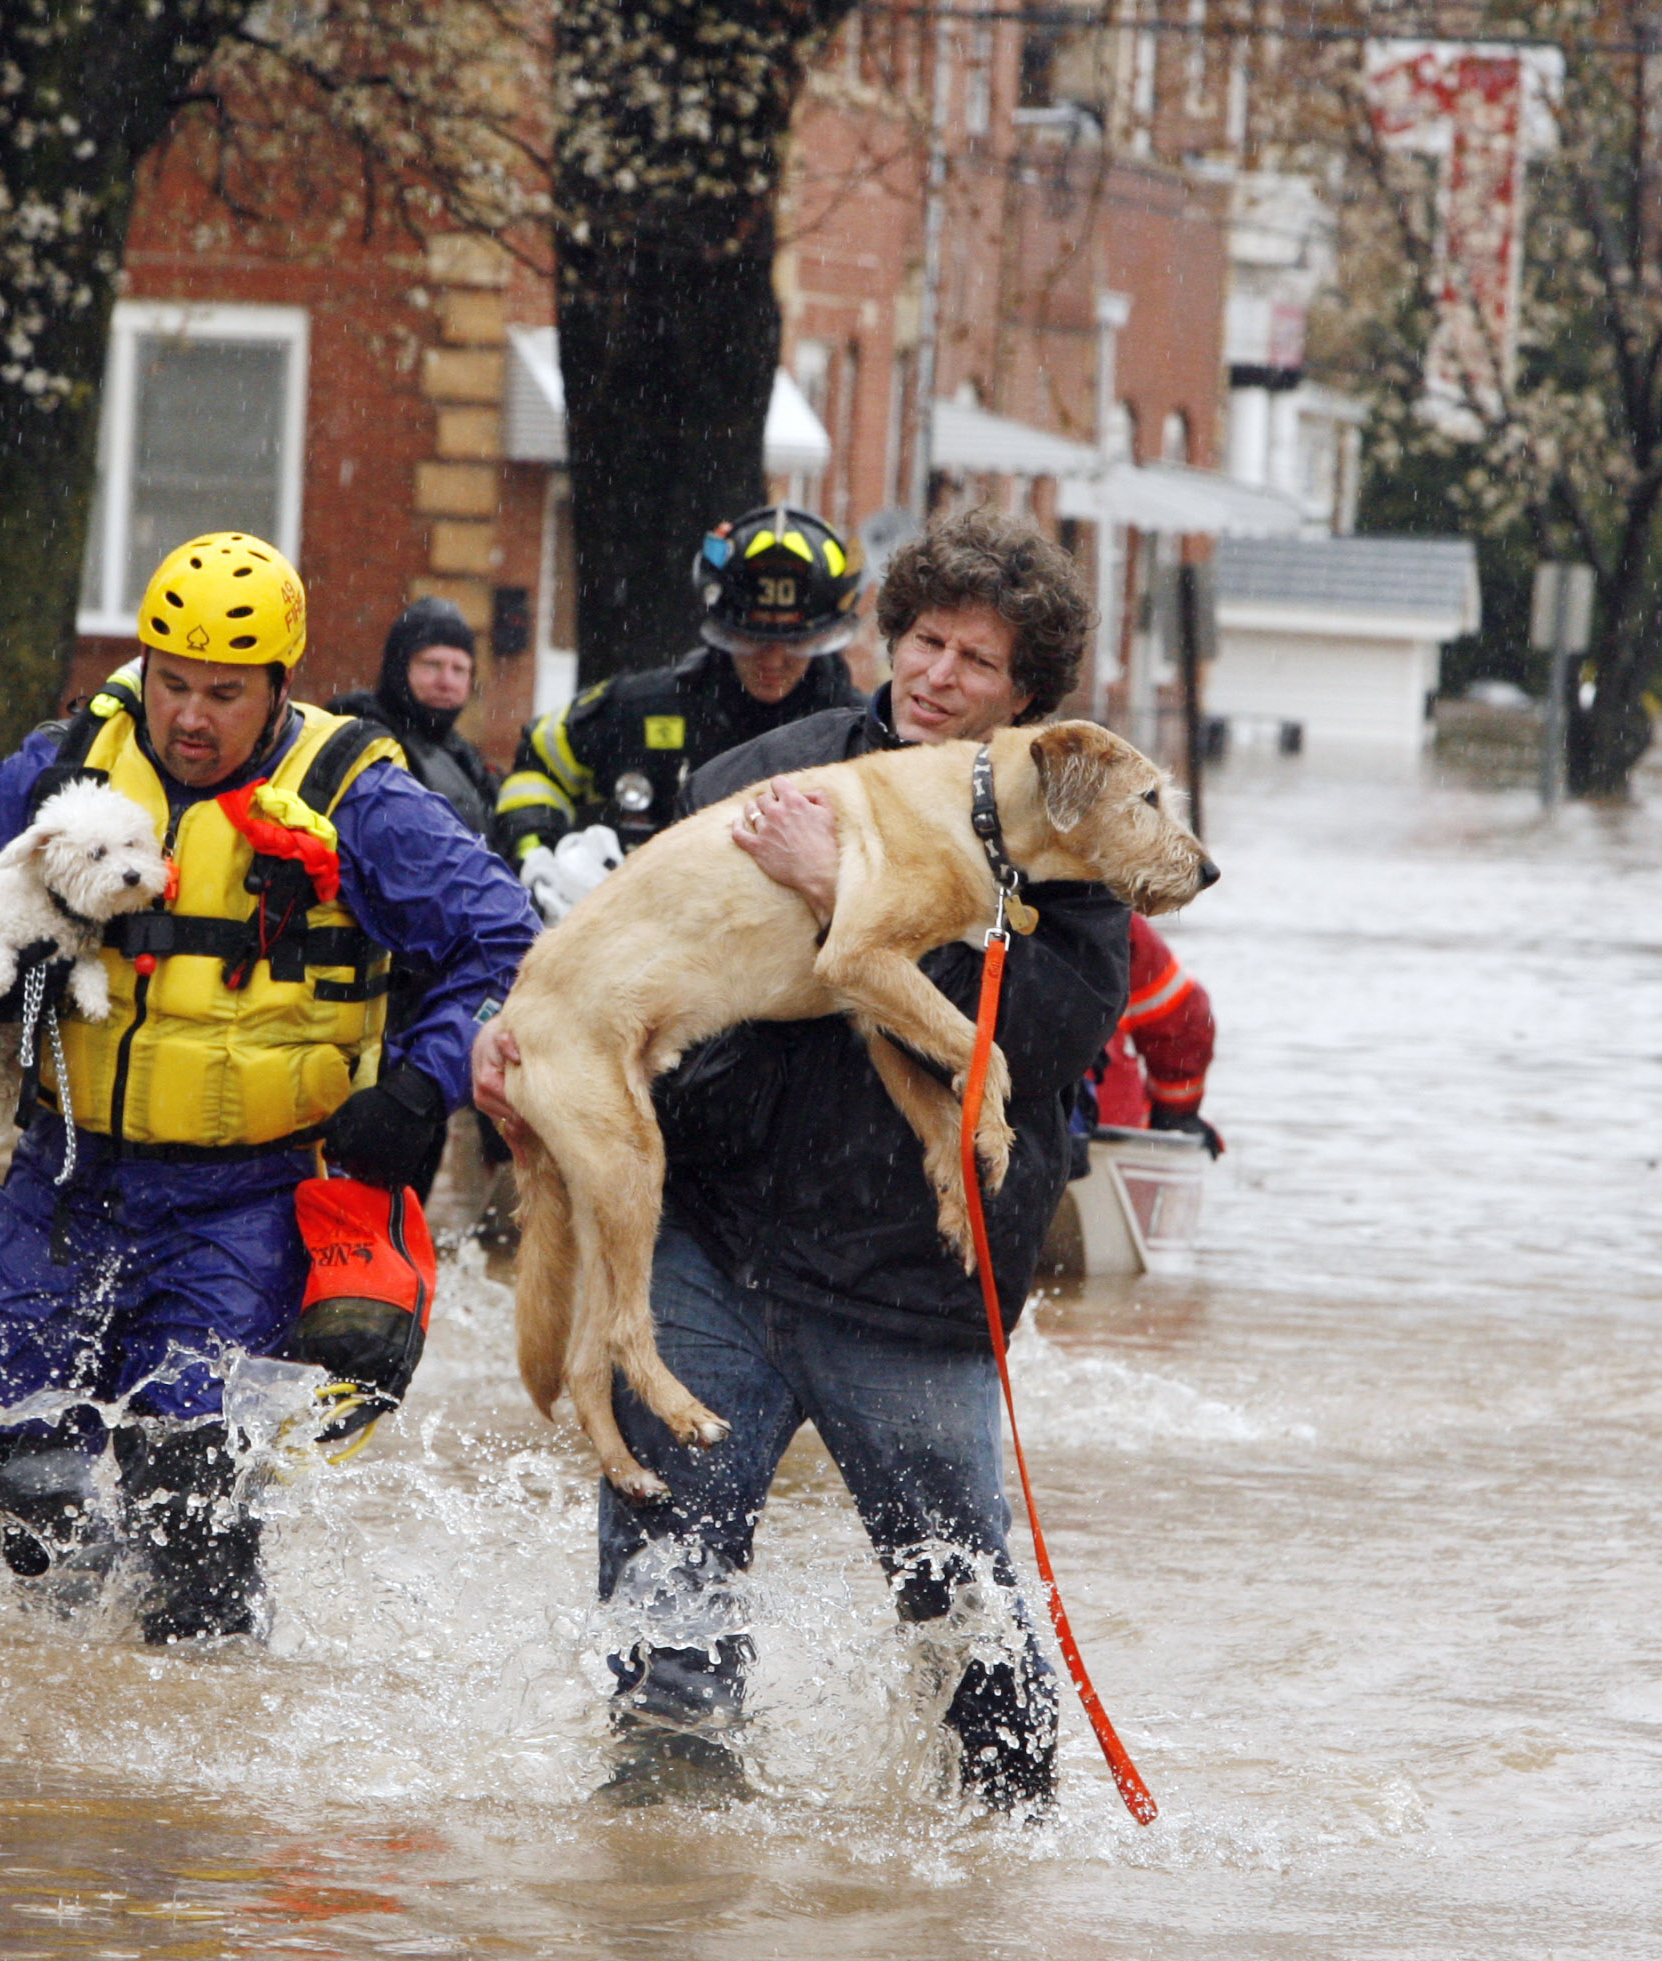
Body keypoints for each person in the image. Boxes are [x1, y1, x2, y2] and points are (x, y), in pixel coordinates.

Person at [471, 507, 1130, 1815]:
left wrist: (848, 895)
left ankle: (1006, 1863)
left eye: (977, 662)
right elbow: (630, 948)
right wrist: (522, 1049)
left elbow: (1053, 1034)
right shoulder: (776, 769)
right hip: (716, 1242)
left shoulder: (1071, 831)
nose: (938, 675)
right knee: (665, 1570)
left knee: (962, 1609)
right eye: (926, 641)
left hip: (913, 1286)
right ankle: (666, 1839)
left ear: (1028, 695)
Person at [0, 532, 538, 1644]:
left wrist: (424, 1089)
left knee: (191, 1508)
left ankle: (193, 1765)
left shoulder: (359, 795)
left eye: (222, 694)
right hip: (65, 1176)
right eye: (171, 683)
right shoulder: (65, 762)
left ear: (278, 684)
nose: (188, 717)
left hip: (248, 1199)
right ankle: (53, 1720)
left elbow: (508, 945)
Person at [491, 504, 862, 874]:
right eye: (751, 641)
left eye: (797, 645)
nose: (773, 661)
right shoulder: (644, 709)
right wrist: (535, 856)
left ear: (823, 640)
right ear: (723, 632)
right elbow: (541, 762)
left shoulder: (861, 736)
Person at [333, 595, 498, 837]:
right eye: (432, 665)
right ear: (399, 668)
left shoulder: (466, 758)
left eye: (459, 669)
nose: (446, 682)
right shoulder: (360, 737)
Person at [1089, 914, 1221, 1152]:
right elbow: (1185, 1022)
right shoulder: (1101, 910)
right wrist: (1175, 1113)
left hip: (1020, 1127)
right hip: (1103, 1130)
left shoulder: (1006, 910)